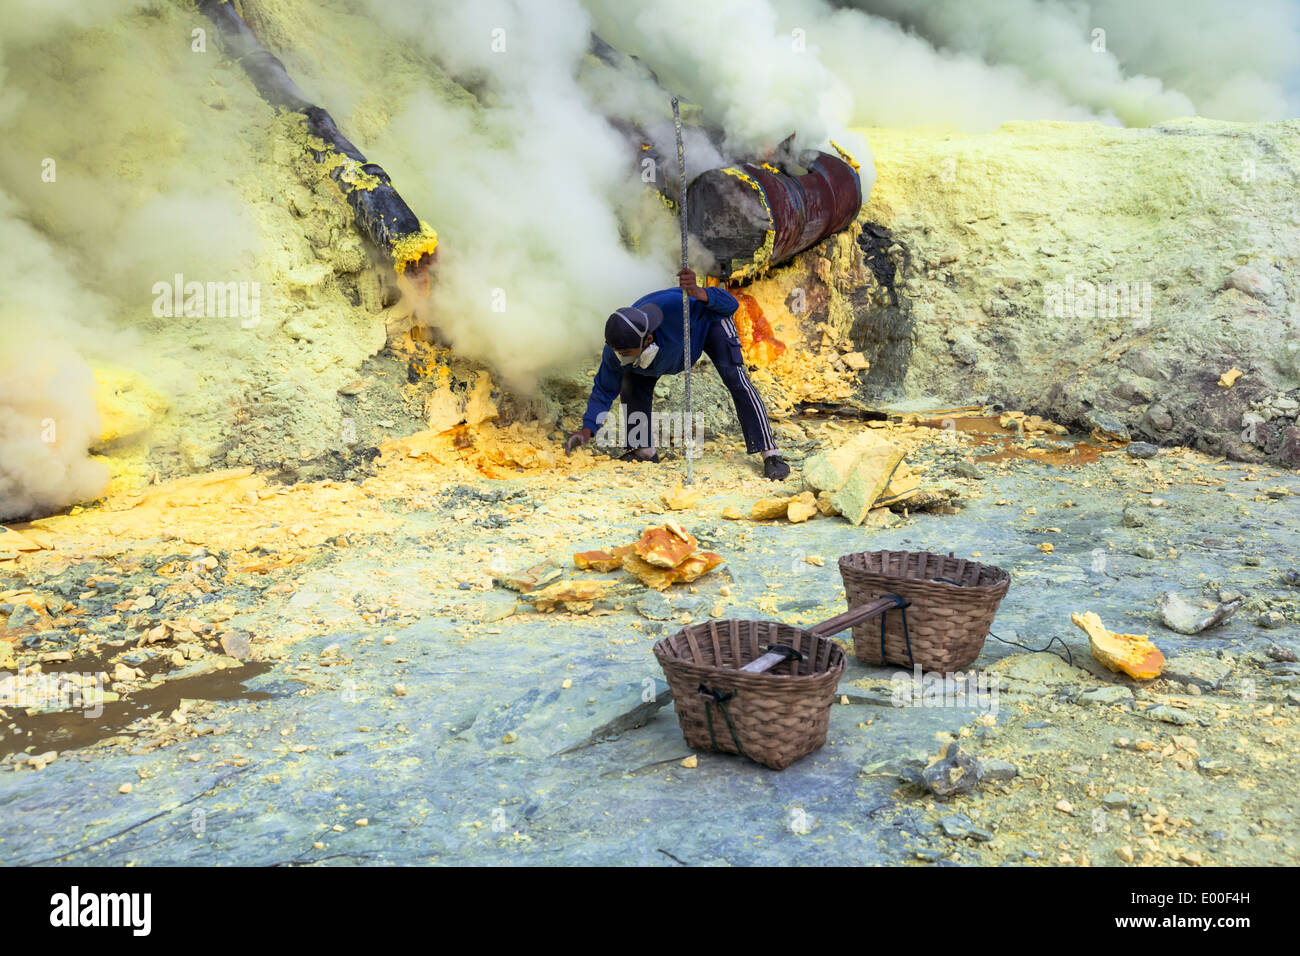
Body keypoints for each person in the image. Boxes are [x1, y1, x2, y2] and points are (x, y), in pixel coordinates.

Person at [565, 268, 790, 480]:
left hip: (707, 326)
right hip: (663, 354)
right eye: (617, 352)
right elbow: (604, 390)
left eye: (625, 352)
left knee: (736, 379)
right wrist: (587, 430)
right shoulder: (616, 351)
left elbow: (730, 304)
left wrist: (699, 293)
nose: (619, 357)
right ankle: (643, 450)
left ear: (648, 340)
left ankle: (770, 453)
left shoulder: (678, 307)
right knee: (631, 380)